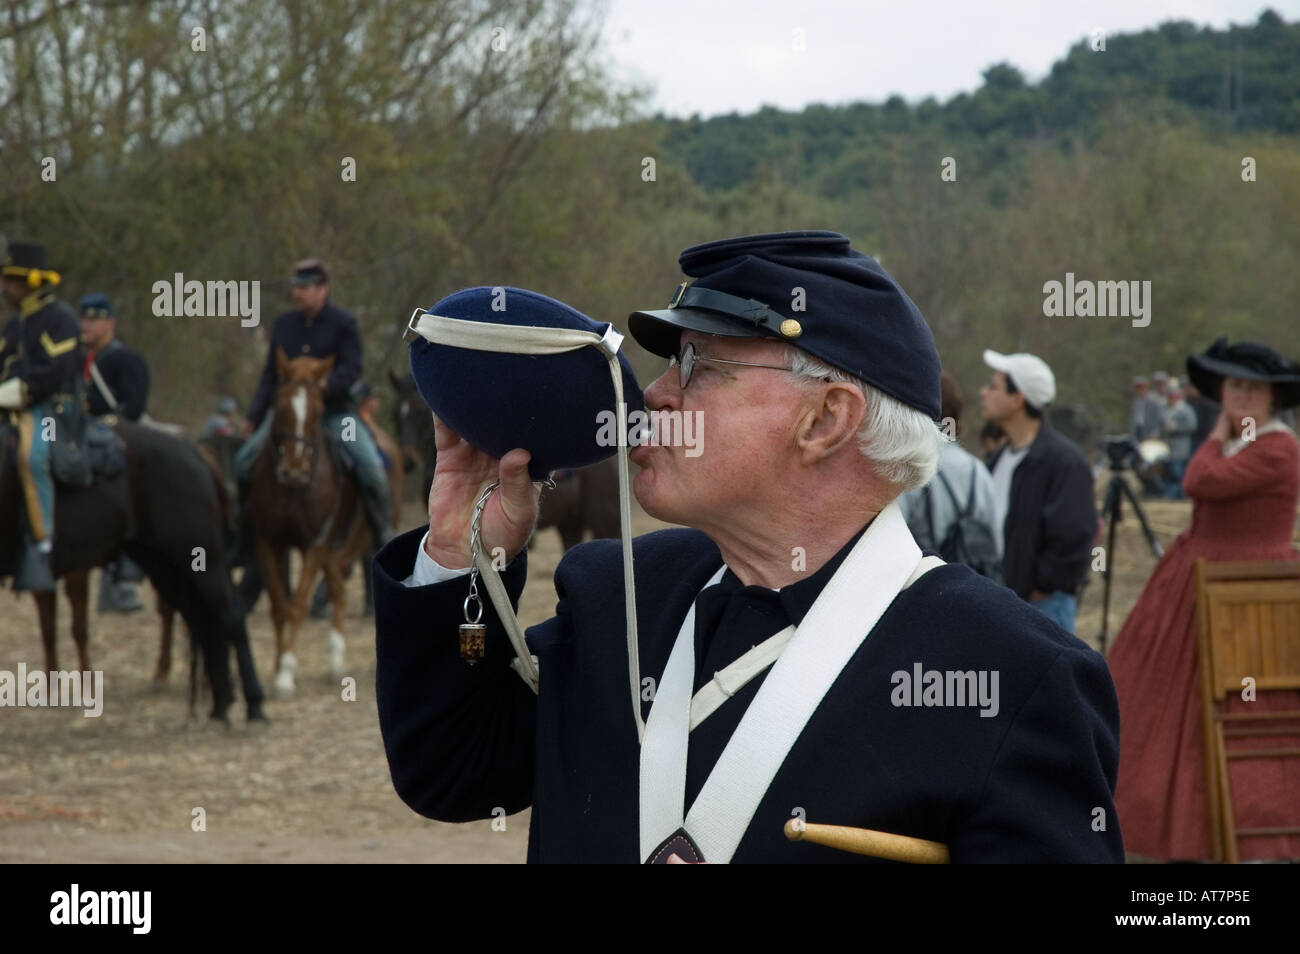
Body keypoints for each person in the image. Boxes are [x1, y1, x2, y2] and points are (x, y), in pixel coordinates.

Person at [372, 231, 1123, 863]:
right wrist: (457, 555)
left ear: (826, 419)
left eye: (698, 366)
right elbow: (450, 770)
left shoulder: (1013, 675)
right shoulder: (616, 598)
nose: (653, 395)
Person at [1106, 337, 1300, 861]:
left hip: (1248, 591)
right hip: (1198, 584)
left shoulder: (1279, 447)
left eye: (1252, 391)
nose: (1239, 399)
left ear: (1273, 400)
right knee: (1174, 709)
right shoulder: (1244, 441)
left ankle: (1255, 830)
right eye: (1233, 387)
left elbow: (1198, 480)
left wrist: (1214, 437)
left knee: (1245, 708)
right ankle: (1184, 831)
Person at [233, 258, 393, 563]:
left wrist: (325, 385)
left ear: (323, 289)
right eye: (296, 287)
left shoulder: (344, 324)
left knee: (371, 467)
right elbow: (270, 375)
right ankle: (244, 537)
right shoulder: (283, 325)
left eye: (305, 287)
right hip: (287, 417)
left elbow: (353, 368)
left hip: (335, 412)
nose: (298, 293)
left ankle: (382, 530)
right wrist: (254, 416)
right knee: (243, 462)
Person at [980, 350, 1096, 633]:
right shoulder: (998, 459)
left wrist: (1040, 588)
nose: (984, 393)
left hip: (1042, 609)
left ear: (1017, 399)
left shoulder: (1064, 461)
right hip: (1001, 602)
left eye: (994, 386)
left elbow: (1073, 536)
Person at [0, 241, 83, 592]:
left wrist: (18, 391)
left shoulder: (60, 318)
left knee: (32, 455)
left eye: (12, 280)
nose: (5, 288)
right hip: (12, 406)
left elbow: (56, 371)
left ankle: (43, 542)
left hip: (53, 407)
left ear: (33, 281)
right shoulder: (13, 324)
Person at [79, 292, 149, 612]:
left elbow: (134, 406)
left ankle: (127, 583)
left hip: (121, 438)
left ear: (110, 322)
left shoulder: (126, 360)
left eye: (94, 319)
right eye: (84, 319)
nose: (87, 325)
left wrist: (104, 424)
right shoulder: (79, 361)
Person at [899, 370, 1002, 574]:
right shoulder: (977, 471)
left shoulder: (909, 468)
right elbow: (997, 544)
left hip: (918, 585)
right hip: (972, 587)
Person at [1160, 378, 1196, 500]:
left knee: (1178, 472)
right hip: (1167, 446)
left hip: (1181, 446)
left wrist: (1176, 428)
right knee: (1169, 473)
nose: (1171, 398)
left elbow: (1192, 426)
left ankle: (1179, 496)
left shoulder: (1185, 410)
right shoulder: (1166, 409)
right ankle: (1170, 495)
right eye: (1169, 396)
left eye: (1173, 396)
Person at [1129, 376, 1163, 441]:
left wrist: (1155, 433)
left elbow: (1160, 419)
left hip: (1151, 434)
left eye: (1141, 387)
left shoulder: (1154, 401)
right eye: (1137, 387)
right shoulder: (1135, 401)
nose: (1139, 389)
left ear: (1146, 387)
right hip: (1138, 432)